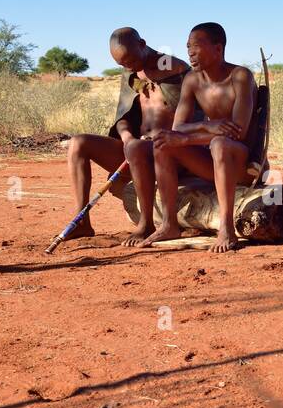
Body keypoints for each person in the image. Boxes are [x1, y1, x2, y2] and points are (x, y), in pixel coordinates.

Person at [62, 27, 190, 245]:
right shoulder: (131, 72)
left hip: (171, 155)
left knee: (137, 149)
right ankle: (82, 221)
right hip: (136, 151)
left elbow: (192, 119)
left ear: (142, 44)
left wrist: (166, 137)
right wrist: (127, 137)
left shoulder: (176, 70)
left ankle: (146, 224)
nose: (127, 66)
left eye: (129, 60)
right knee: (78, 143)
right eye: (121, 64)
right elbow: (123, 118)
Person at [141, 22, 258, 253]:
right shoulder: (193, 81)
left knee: (220, 144)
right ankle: (169, 223)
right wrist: (211, 125)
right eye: (187, 47)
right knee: (163, 143)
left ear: (218, 48)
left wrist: (190, 137)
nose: (190, 52)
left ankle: (226, 227)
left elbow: (239, 132)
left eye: (196, 46)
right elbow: (178, 128)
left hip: (243, 164)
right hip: (213, 158)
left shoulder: (240, 76)